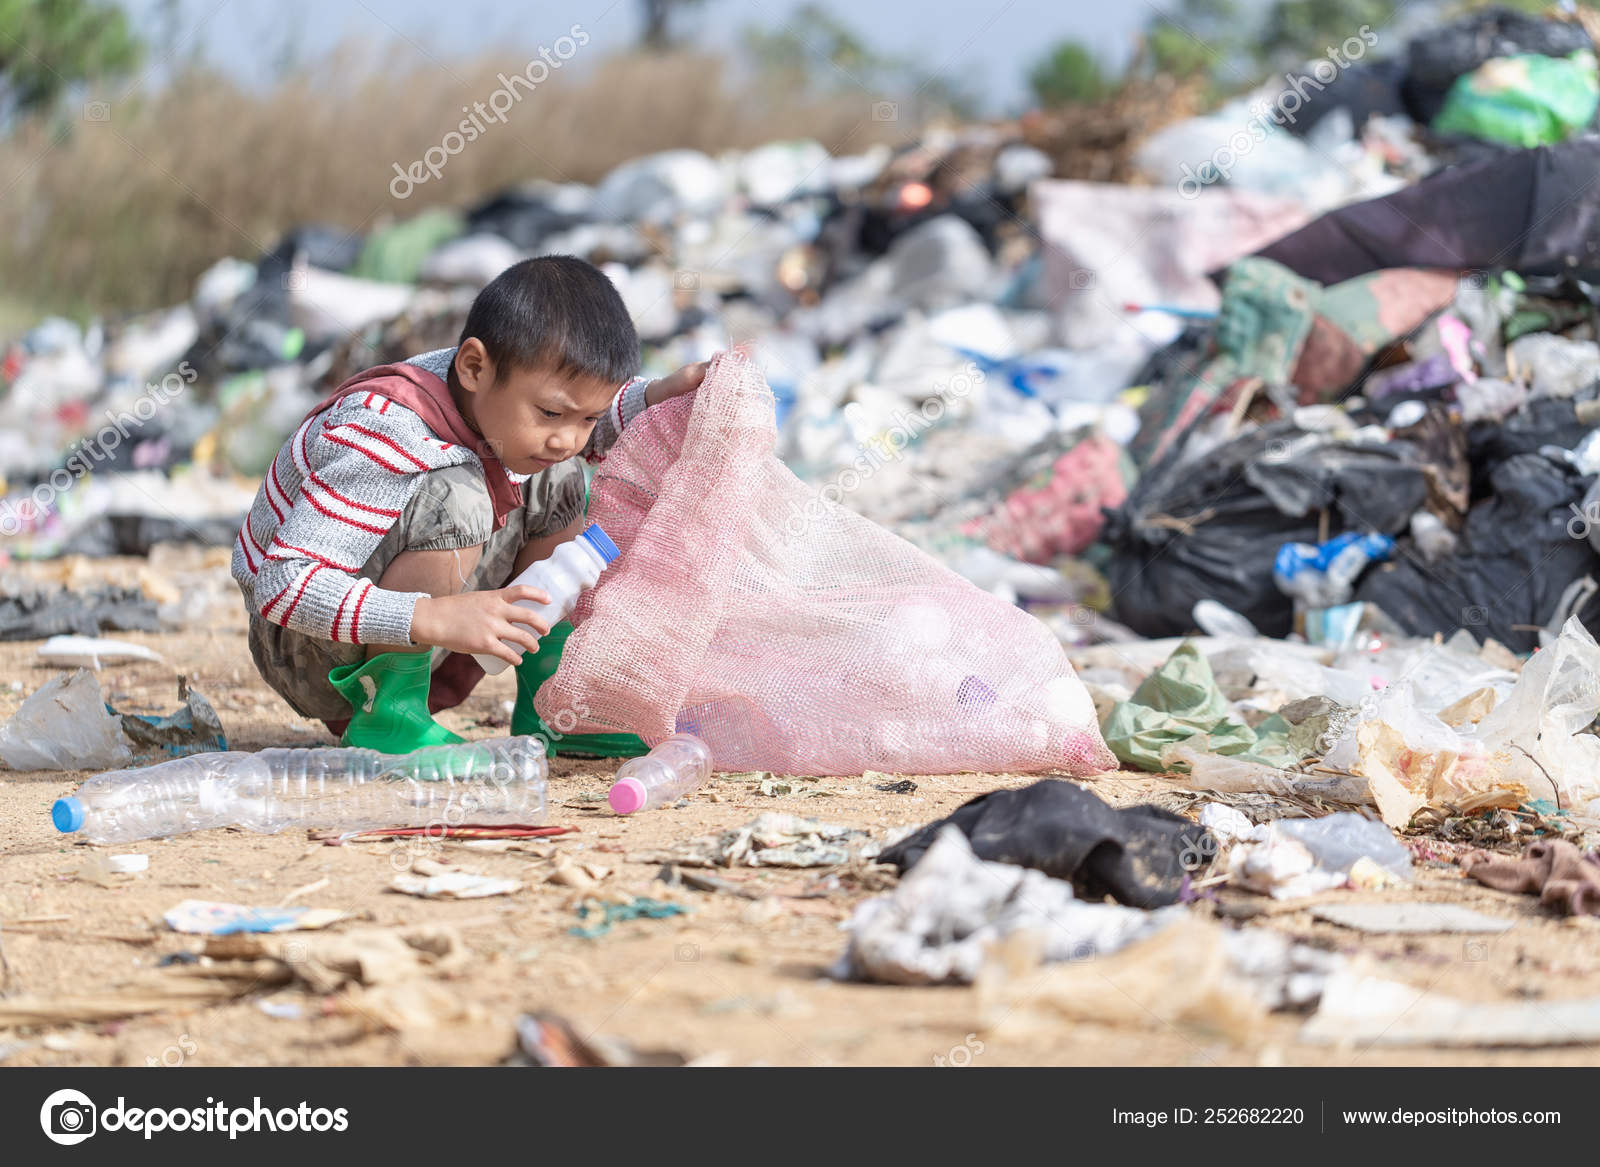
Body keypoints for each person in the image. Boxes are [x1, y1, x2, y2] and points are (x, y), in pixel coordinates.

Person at [231, 255, 706, 752]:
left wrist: (655, 397)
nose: (569, 437)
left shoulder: (500, 404)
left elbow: (573, 414)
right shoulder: (386, 429)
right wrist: (431, 619)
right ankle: (390, 716)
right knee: (458, 494)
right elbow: (282, 585)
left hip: (405, 621)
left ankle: (555, 708)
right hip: (307, 648)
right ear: (474, 366)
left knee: (557, 470)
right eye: (550, 413)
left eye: (586, 419)